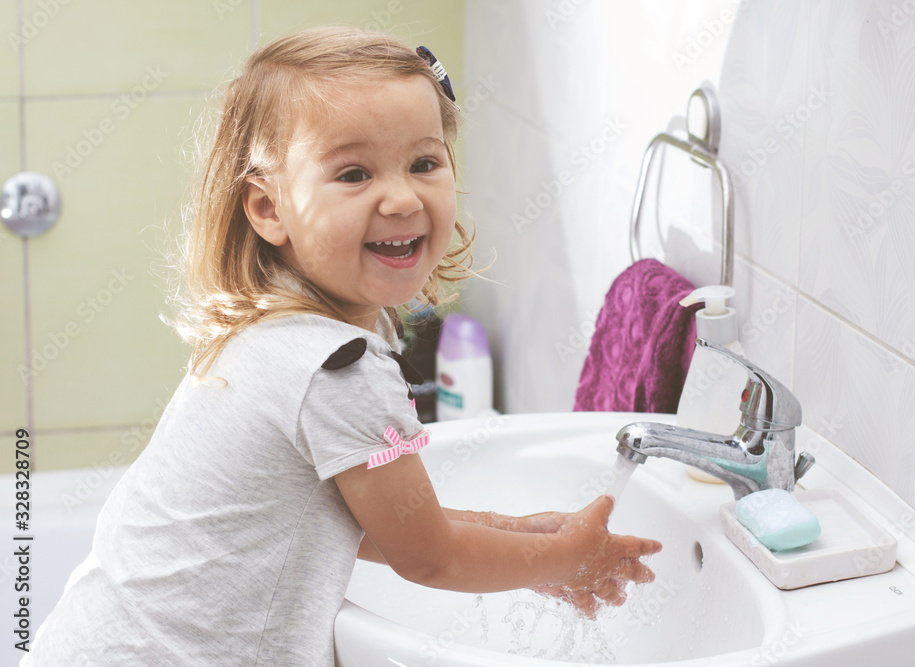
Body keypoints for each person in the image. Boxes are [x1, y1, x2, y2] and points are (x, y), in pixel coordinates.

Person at [23, 26, 661, 666]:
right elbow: (428, 556)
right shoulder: (336, 371)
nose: (403, 196)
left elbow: (368, 523)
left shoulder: (280, 331)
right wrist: (567, 559)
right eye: (354, 173)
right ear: (269, 208)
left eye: (424, 163)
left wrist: (520, 536)